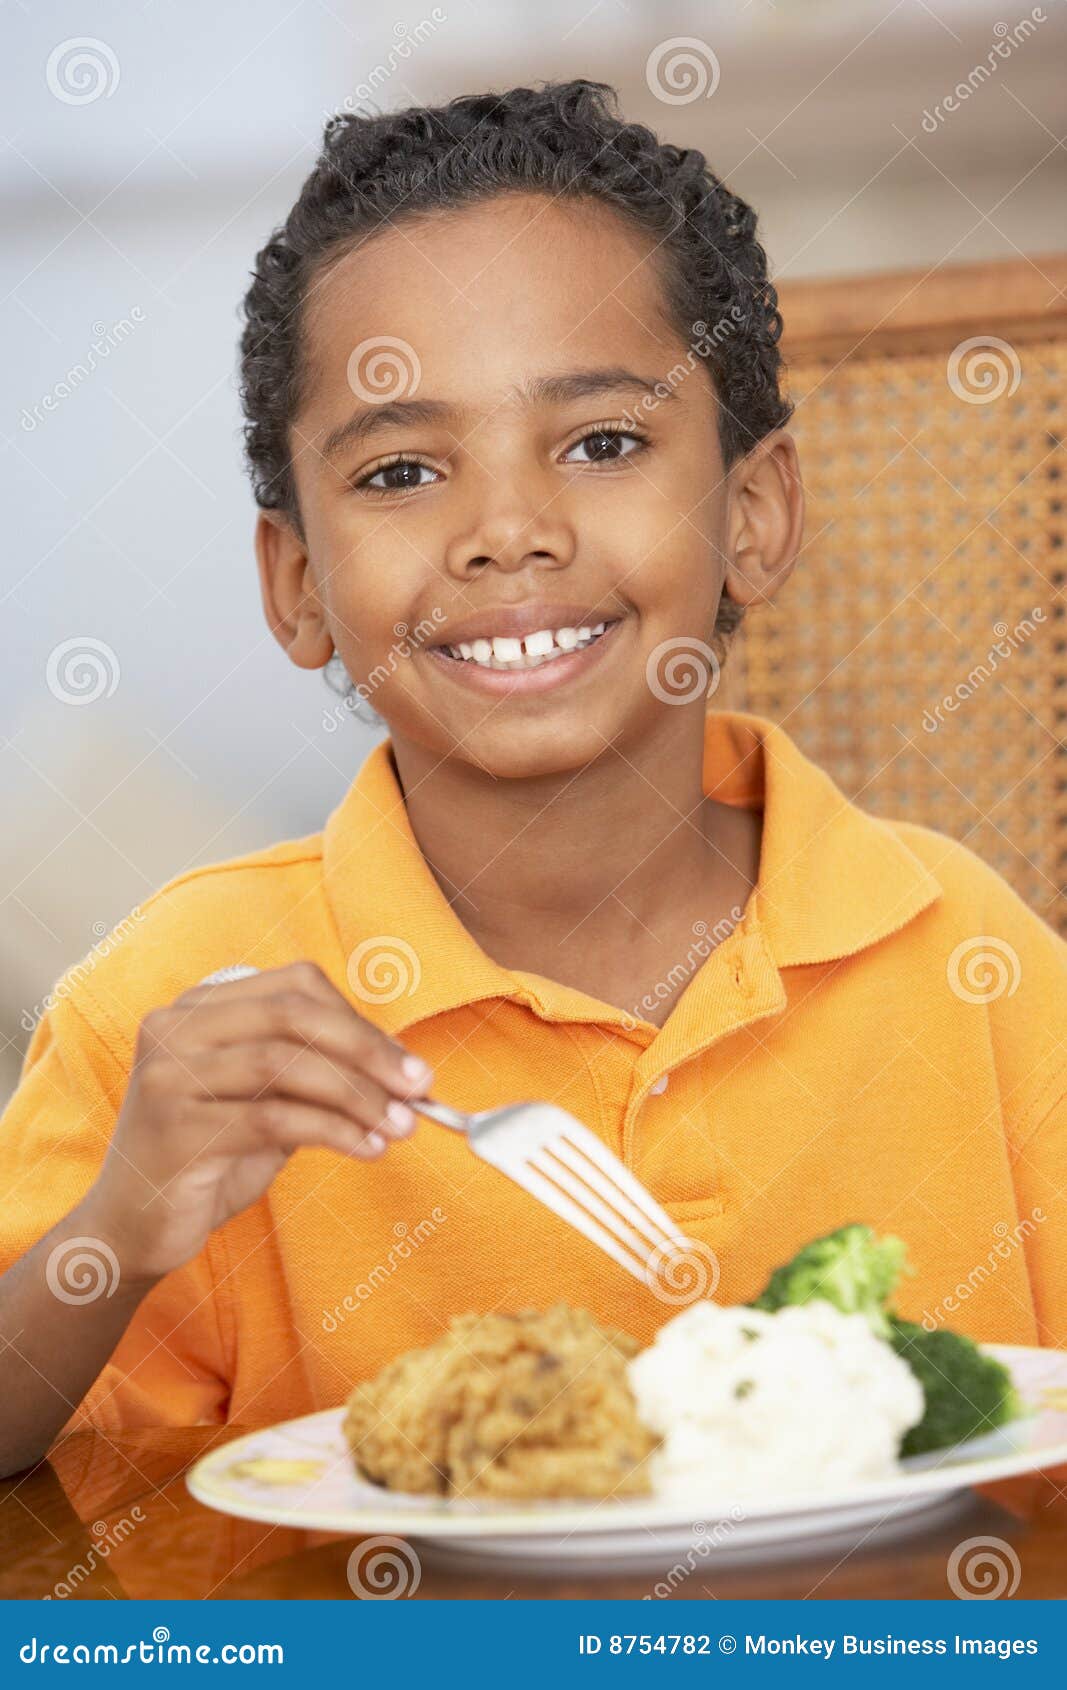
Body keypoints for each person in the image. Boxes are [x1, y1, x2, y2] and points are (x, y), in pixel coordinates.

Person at [1, 81, 1064, 1479]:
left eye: (604, 444)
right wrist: (119, 1227)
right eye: (399, 471)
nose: (508, 530)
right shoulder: (175, 1017)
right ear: (299, 581)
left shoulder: (965, 953)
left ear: (753, 512)